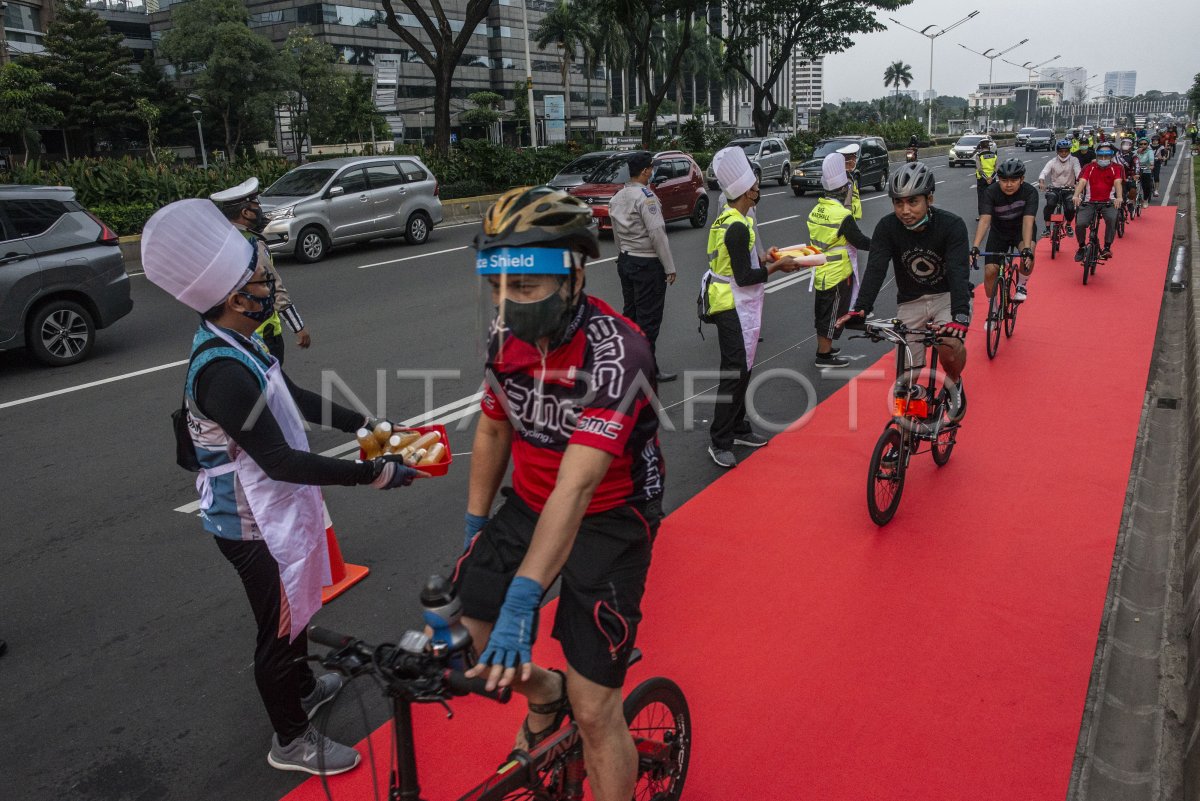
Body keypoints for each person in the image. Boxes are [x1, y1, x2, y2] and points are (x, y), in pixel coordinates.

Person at [141, 199, 428, 777]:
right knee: (276, 624)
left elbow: (290, 394)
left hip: (275, 505)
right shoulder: (221, 371)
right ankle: (291, 740)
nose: (270, 286)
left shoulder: (245, 342)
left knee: (298, 599)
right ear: (231, 299)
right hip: (249, 521)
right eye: (259, 281)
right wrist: (372, 471)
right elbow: (279, 461)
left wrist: (365, 426)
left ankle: (303, 684)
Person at [456, 185, 665, 801]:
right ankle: (544, 692)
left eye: (523, 288)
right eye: (496, 287)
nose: (506, 304)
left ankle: (576, 704)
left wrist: (524, 599)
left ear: (573, 276)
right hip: (527, 501)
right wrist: (475, 529)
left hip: (610, 516)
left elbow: (577, 488)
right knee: (464, 636)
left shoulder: (619, 352)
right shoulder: (502, 340)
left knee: (596, 705)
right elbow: (495, 427)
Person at [836, 162, 971, 424]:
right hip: (911, 300)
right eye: (898, 203)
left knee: (948, 346)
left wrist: (961, 315)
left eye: (913, 202)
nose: (905, 211)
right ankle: (903, 440)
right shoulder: (887, 228)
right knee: (907, 376)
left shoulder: (951, 226)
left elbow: (957, 272)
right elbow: (875, 268)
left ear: (929, 198)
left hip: (947, 296)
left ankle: (955, 382)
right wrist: (861, 307)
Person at [699, 146, 799, 468]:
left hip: (731, 300)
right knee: (734, 372)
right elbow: (744, 277)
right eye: (755, 185)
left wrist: (767, 257)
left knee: (743, 368)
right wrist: (777, 267)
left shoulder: (731, 218)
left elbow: (738, 261)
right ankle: (719, 439)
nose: (759, 189)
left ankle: (738, 427)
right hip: (732, 303)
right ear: (746, 192)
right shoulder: (738, 226)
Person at [211, 178, 311, 365]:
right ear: (246, 212)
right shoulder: (253, 244)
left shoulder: (221, 240)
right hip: (263, 334)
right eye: (256, 204)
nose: (260, 209)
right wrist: (298, 327)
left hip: (232, 331)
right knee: (272, 387)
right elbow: (274, 287)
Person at [608, 151, 678, 382]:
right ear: (646, 171)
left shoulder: (617, 197)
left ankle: (629, 364)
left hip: (626, 261)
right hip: (647, 263)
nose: (652, 171)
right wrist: (669, 267)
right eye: (651, 168)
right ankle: (647, 369)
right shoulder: (646, 197)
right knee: (648, 320)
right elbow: (657, 233)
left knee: (631, 316)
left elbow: (616, 234)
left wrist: (623, 254)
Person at [808, 153, 871, 368]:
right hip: (837, 272)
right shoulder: (841, 216)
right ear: (843, 190)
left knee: (823, 311)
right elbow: (860, 241)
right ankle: (823, 356)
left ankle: (824, 348)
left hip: (822, 270)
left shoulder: (818, 209)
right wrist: (881, 244)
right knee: (833, 313)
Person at [971, 157, 1038, 309]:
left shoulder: (1030, 192)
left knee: (1029, 252)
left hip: (1021, 230)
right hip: (999, 231)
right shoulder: (991, 191)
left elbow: (1028, 221)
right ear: (998, 180)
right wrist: (975, 247)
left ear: (1022, 179)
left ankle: (1021, 284)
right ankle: (992, 308)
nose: (1008, 185)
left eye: (1013, 180)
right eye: (1004, 180)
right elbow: (985, 220)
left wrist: (1027, 249)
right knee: (990, 271)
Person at [1073, 142, 1124, 262]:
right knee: (1080, 223)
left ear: (1111, 156)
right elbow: (1082, 182)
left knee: (1112, 219)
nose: (1103, 158)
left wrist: (1119, 197)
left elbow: (1117, 182)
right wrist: (1076, 195)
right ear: (1097, 155)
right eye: (1100, 155)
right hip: (1090, 202)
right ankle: (1081, 247)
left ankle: (1107, 247)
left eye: (1107, 156)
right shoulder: (1089, 167)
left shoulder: (1117, 168)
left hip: (1108, 202)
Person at [837, 142, 866, 307]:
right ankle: (853, 304)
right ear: (848, 161)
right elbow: (847, 204)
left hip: (848, 223)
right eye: (852, 158)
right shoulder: (847, 179)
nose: (855, 160)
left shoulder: (846, 176)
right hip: (848, 224)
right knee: (851, 268)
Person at [1038, 139, 1080, 237]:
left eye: (1066, 151)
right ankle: (1047, 228)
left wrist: (1079, 182)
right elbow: (1044, 172)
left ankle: (1068, 225)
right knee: (1050, 204)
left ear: (1069, 151)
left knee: (1070, 208)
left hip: (1069, 189)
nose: (1064, 153)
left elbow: (1078, 172)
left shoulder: (1074, 160)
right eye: (1061, 151)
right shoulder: (1052, 161)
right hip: (1055, 189)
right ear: (1057, 151)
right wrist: (1041, 181)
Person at [974, 139, 998, 220]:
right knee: (992, 197)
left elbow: (979, 169)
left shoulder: (979, 155)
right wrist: (991, 178)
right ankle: (992, 215)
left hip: (982, 180)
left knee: (981, 198)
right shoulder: (994, 155)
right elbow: (996, 169)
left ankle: (981, 216)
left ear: (981, 146)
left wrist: (986, 178)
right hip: (992, 179)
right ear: (988, 146)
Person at [1115, 138, 1140, 210]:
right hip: (1117, 176)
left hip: (1129, 176)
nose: (1125, 146)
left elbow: (1137, 165)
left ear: (1131, 146)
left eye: (1127, 144)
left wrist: (1136, 174)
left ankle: (1130, 201)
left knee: (1132, 190)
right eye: (1124, 144)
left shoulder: (1133, 156)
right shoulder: (1116, 154)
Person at [1136, 138, 1157, 206]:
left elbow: (1151, 158)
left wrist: (1151, 165)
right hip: (1137, 170)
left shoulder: (1150, 151)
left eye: (1145, 144)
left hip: (1146, 170)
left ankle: (1145, 200)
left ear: (1148, 145)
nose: (1143, 145)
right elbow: (1131, 157)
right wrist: (1137, 152)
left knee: (1146, 186)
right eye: (1141, 144)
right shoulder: (1136, 151)